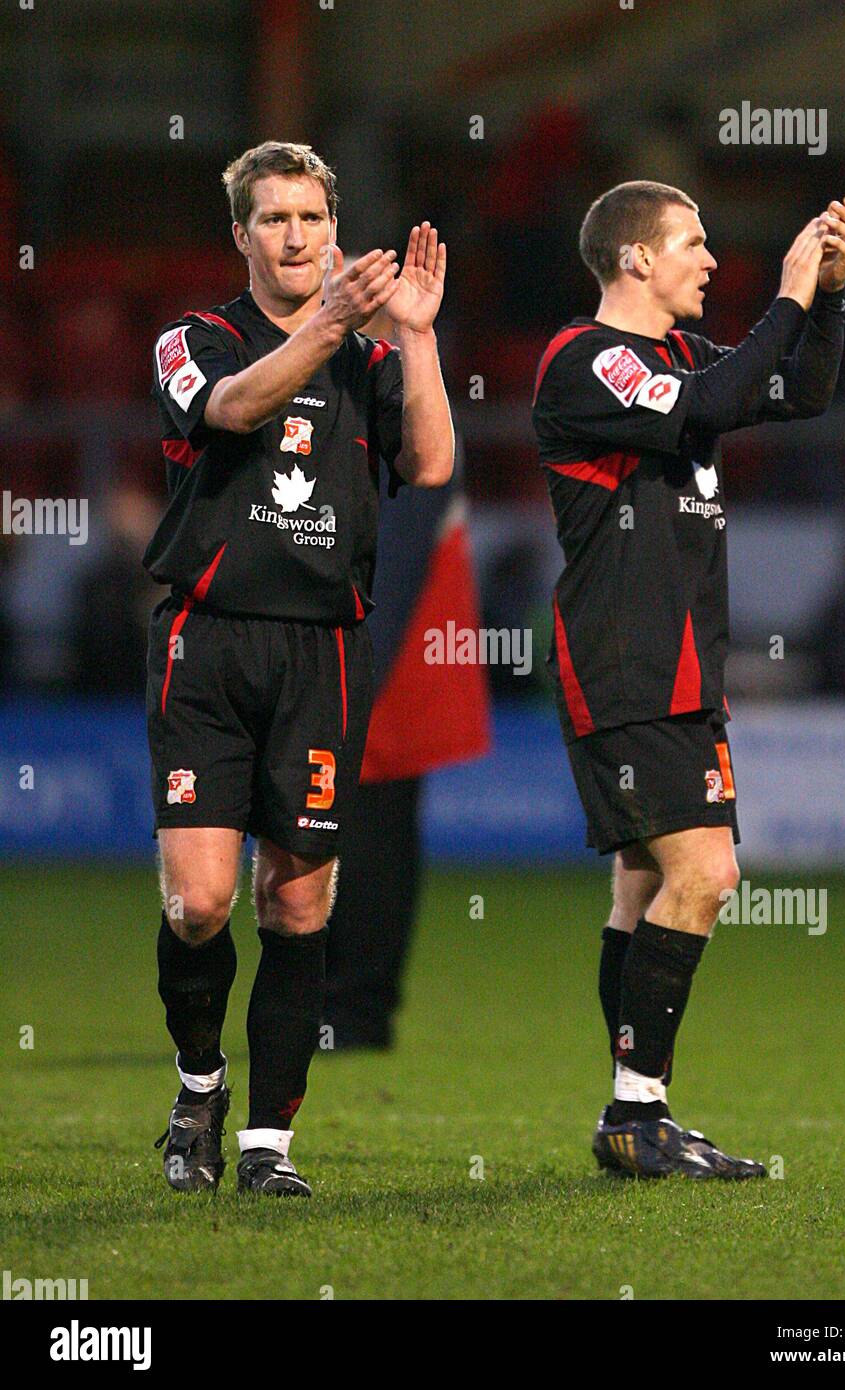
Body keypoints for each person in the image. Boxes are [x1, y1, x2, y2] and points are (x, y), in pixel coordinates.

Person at [531, 181, 845, 1179]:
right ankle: (635, 1116)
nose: (710, 261)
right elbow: (718, 403)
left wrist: (831, 294)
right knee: (705, 876)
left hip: (675, 663)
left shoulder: (677, 358)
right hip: (625, 660)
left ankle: (643, 1109)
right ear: (636, 259)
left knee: (642, 887)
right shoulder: (585, 361)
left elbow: (796, 391)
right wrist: (790, 289)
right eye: (692, 242)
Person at [145, 141, 453, 1197]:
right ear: (241, 234)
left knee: (299, 903)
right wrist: (329, 322)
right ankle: (199, 1081)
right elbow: (230, 409)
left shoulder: (367, 362)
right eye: (273, 219)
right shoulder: (192, 339)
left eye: (311, 219)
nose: (294, 236)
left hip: (321, 648)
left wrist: (412, 335)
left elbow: (432, 464)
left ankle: (268, 1146)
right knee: (197, 904)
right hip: (209, 642)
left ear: (331, 228)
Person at [323, 292, 491, 1048]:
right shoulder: (404, 408)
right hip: (400, 657)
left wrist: (351, 675)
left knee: (365, 842)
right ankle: (353, 1005)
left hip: (387, 664)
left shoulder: (396, 414)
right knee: (369, 839)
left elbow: (391, 562)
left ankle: (355, 1009)